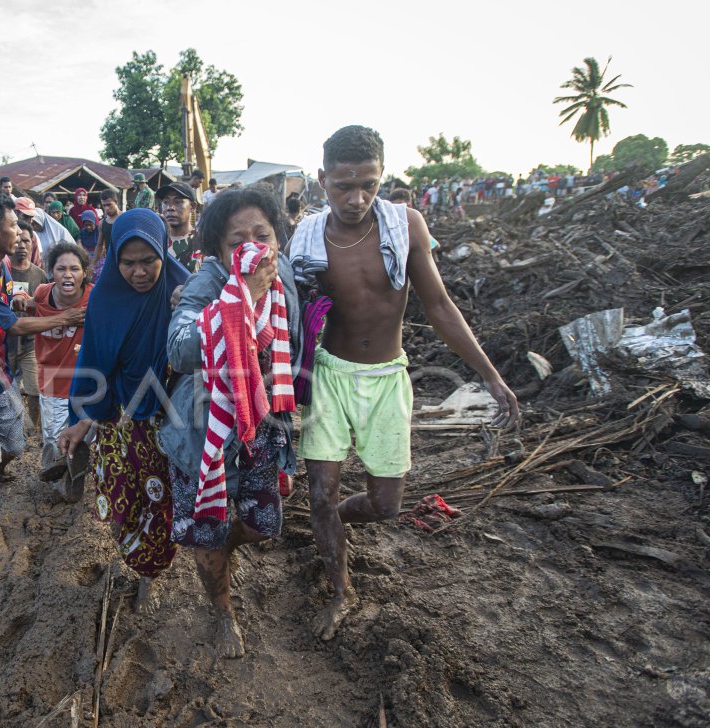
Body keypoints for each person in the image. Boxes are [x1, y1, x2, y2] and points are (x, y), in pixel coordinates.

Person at [288, 125, 519, 641]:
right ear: (322, 179)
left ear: (382, 176)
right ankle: (341, 590)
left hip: (388, 378)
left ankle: (335, 524)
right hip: (329, 375)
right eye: (343, 185)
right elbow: (285, 313)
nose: (356, 197)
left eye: (367, 184)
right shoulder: (306, 236)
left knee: (387, 505)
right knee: (320, 493)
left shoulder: (405, 225)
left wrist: (491, 375)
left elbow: (438, 306)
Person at [161, 188, 302, 657]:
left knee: (263, 524)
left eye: (262, 235)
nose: (253, 248)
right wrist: (239, 299)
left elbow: (294, 346)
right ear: (219, 251)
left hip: (261, 427)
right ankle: (222, 613)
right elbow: (179, 350)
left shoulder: (284, 280)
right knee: (207, 529)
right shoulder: (208, 283)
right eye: (237, 240)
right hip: (205, 433)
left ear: (278, 239)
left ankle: (228, 547)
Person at [58, 209, 190, 613]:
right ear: (113, 258)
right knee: (122, 495)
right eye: (127, 262)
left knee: (161, 501)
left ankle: (150, 575)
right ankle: (133, 557)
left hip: (171, 418)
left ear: (163, 253)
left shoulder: (183, 287)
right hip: (119, 419)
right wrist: (82, 417)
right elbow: (95, 362)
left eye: (147, 260)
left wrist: (187, 308)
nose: (138, 272)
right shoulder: (103, 297)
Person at [0, 192, 85, 555]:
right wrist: (65, 318)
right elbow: (14, 327)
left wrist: (17, 300)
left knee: (17, 443)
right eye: (12, 226)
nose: (19, 232)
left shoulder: (0, 266)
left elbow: (9, 304)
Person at [33, 242, 93, 501]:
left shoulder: (96, 297)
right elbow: (23, 306)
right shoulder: (40, 295)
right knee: (53, 438)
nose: (68, 274)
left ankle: (73, 482)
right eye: (61, 269)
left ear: (84, 273)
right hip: (52, 380)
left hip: (87, 382)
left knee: (83, 438)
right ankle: (55, 479)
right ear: (51, 272)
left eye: (74, 268)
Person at [7, 220, 48, 434]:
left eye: (26, 241)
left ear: (32, 244)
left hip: (31, 342)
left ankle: (31, 429)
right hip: (4, 343)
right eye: (18, 240)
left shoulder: (39, 275)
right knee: (3, 388)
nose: (22, 245)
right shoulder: (1, 271)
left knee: (33, 389)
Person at [156, 181, 201, 273]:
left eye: (178, 202)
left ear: (192, 206)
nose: (170, 207)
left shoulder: (204, 244)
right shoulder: (156, 241)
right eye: (165, 202)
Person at [16, 196, 74, 264]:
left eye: (31, 218)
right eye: (26, 216)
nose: (31, 223)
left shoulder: (59, 231)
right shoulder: (31, 233)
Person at [92, 187, 122, 267]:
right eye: (104, 205)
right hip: (111, 261)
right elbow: (100, 245)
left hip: (126, 260)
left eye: (109, 205)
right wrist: (93, 264)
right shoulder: (102, 223)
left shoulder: (125, 218)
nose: (106, 208)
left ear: (116, 202)